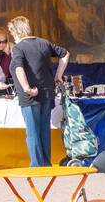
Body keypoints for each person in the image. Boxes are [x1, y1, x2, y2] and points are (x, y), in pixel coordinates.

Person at [6, 16, 69, 168]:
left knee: (33, 131)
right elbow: (65, 54)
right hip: (47, 91)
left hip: (30, 95)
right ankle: (46, 163)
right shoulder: (44, 42)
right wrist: (58, 75)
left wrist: (26, 87)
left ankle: (36, 164)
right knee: (43, 129)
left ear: (16, 31)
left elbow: (18, 68)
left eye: (12, 31)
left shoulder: (18, 48)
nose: (12, 35)